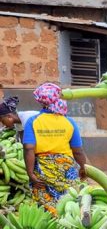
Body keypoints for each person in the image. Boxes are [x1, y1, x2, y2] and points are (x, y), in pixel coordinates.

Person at [22, 83, 89, 215]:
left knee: (45, 205)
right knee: (69, 202)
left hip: (42, 169)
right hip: (66, 169)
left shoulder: (33, 121)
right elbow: (78, 151)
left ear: (41, 101)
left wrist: (30, 174)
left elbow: (29, 149)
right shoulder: (69, 122)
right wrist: (83, 167)